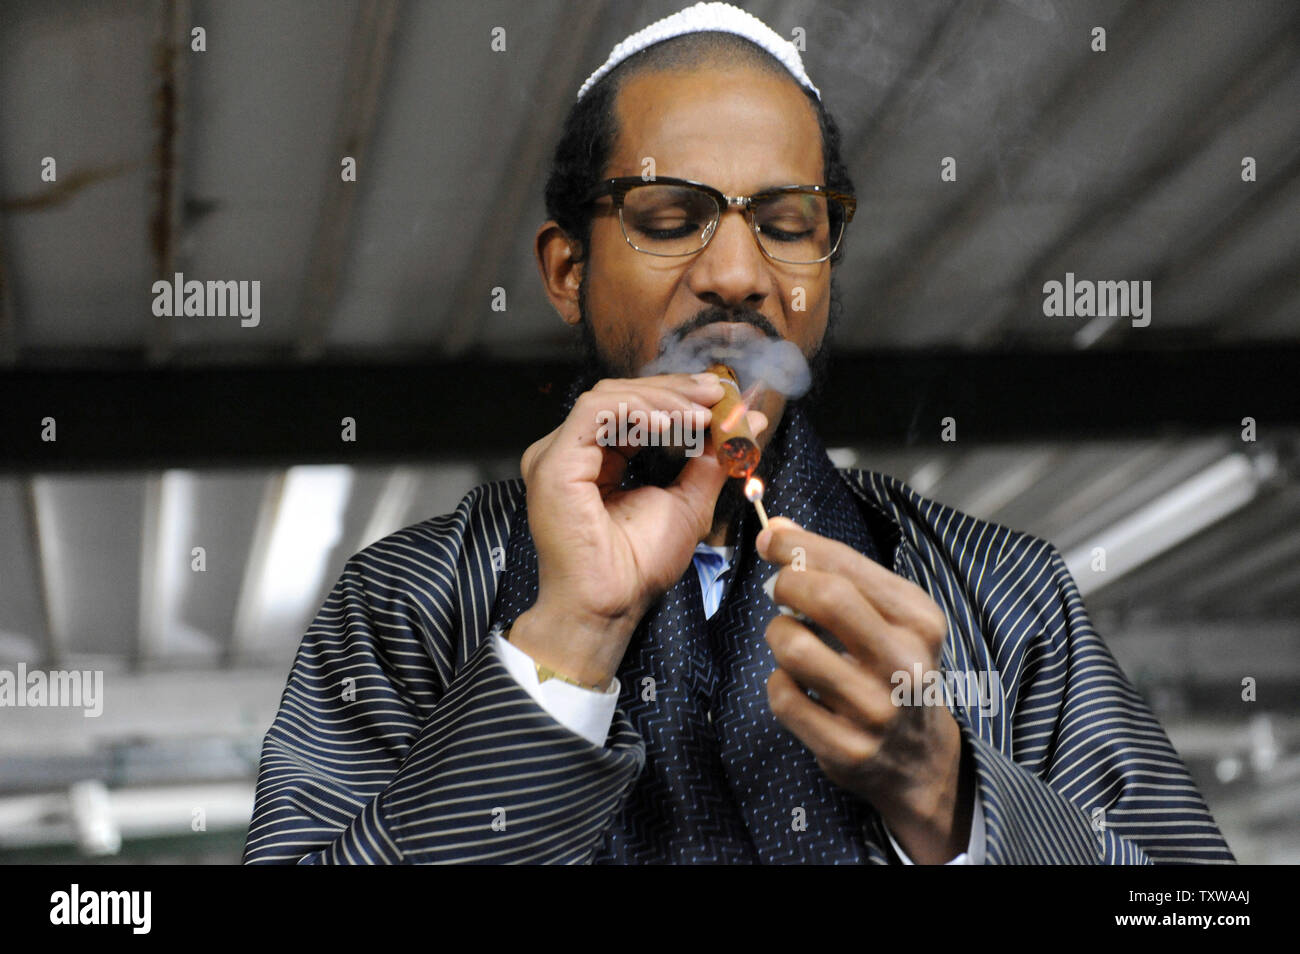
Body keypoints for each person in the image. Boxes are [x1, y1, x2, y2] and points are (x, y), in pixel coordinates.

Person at [243, 2, 1233, 864]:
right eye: (668, 218)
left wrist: (949, 799)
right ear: (565, 271)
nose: (734, 273)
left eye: (787, 222)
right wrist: (562, 652)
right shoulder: (407, 604)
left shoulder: (1008, 599)